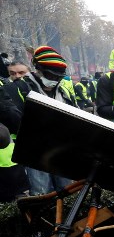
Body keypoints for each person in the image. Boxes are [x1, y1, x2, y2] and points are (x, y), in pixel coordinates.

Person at [18, 46, 76, 193]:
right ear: (37, 68)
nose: (54, 81)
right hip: (35, 156)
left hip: (61, 153)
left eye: (58, 78)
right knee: (42, 196)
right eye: (50, 76)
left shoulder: (64, 92)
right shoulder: (21, 89)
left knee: (68, 192)